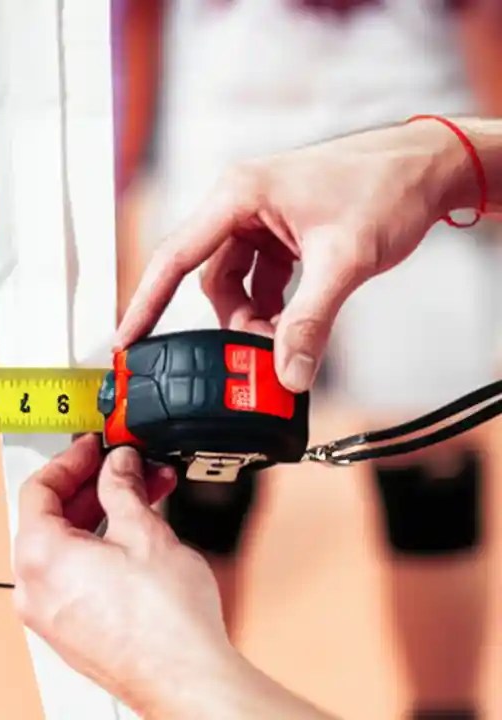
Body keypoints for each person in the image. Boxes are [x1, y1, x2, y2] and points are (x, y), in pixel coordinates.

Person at [15, 117, 501, 717]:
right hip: (238, 153)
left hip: (367, 156)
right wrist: (447, 158)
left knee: (432, 477)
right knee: (201, 486)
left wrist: (175, 675)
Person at [112, 3, 502, 717]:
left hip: (409, 130)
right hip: (232, 139)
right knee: (202, 477)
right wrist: (124, 203)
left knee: (430, 476)